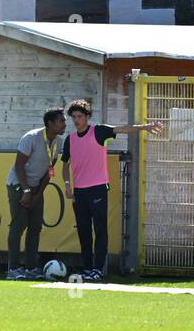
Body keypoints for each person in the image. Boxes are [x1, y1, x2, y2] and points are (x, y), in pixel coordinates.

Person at [60, 99, 162, 281]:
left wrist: (144, 127)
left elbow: (122, 129)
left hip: (98, 188)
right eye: (74, 117)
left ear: (87, 117)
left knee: (100, 230)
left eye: (80, 116)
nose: (76, 120)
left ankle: (97, 269)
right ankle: (88, 268)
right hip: (79, 192)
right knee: (84, 232)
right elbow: (64, 165)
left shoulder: (98, 131)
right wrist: (68, 186)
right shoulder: (70, 139)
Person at [6, 109, 68, 280]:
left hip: (35, 188)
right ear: (50, 123)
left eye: (64, 120)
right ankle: (12, 269)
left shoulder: (58, 142)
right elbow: (18, 167)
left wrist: (38, 194)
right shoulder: (31, 137)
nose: (65, 124)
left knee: (35, 227)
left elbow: (50, 171)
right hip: (18, 185)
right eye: (61, 121)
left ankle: (31, 268)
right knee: (19, 226)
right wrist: (26, 191)